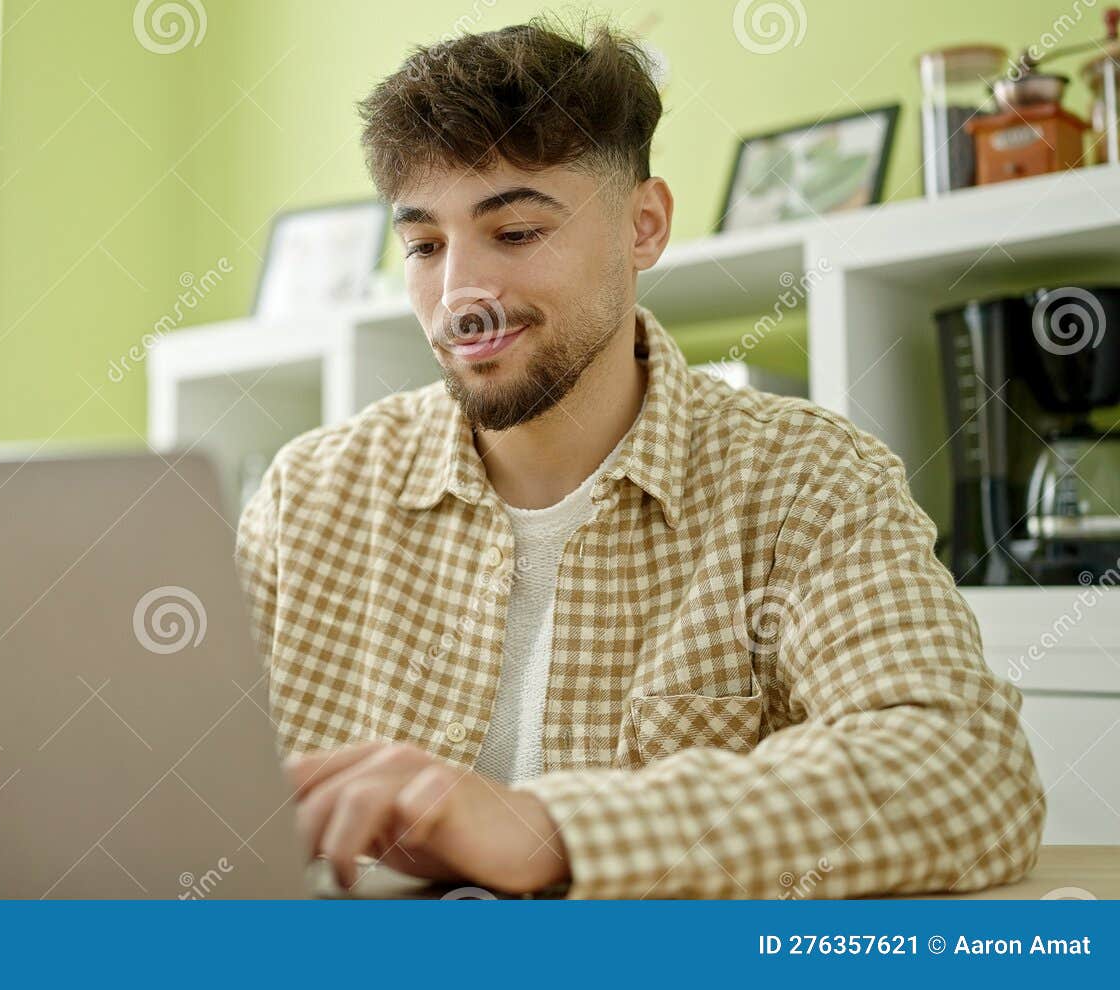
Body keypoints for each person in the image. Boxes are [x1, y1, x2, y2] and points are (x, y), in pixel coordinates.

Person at [234, 15, 1045, 898]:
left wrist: (546, 832)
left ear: (644, 227)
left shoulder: (806, 481)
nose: (460, 295)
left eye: (514, 233)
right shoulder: (308, 497)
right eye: (426, 245)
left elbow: (965, 770)